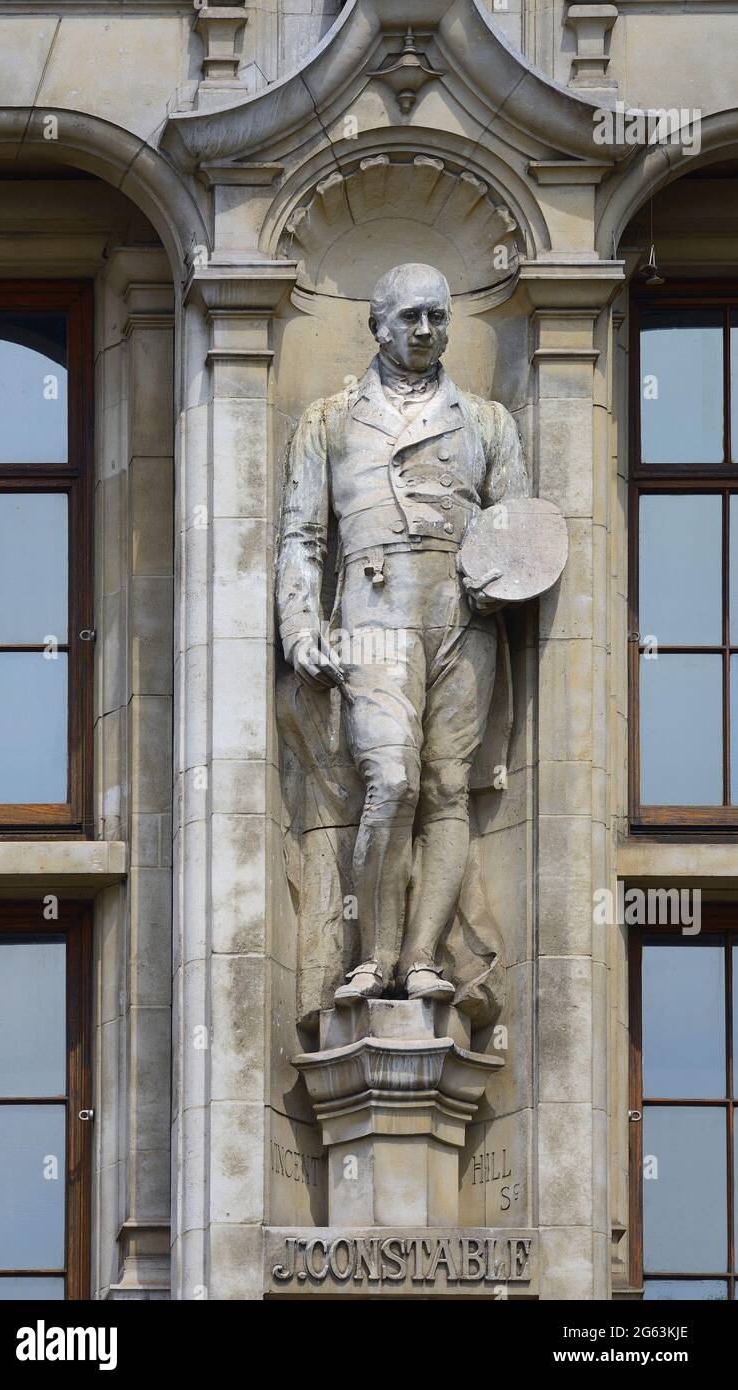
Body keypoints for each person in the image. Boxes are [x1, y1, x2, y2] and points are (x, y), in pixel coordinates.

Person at [276, 262, 529, 1004]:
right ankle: (371, 955)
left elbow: (520, 531)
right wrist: (299, 626)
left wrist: (499, 582)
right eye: (411, 317)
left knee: (450, 787)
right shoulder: (327, 420)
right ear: (377, 325)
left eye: (437, 317)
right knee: (391, 779)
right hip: (373, 618)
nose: (425, 331)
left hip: (461, 619)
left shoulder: (487, 421)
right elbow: (301, 537)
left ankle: (422, 959)